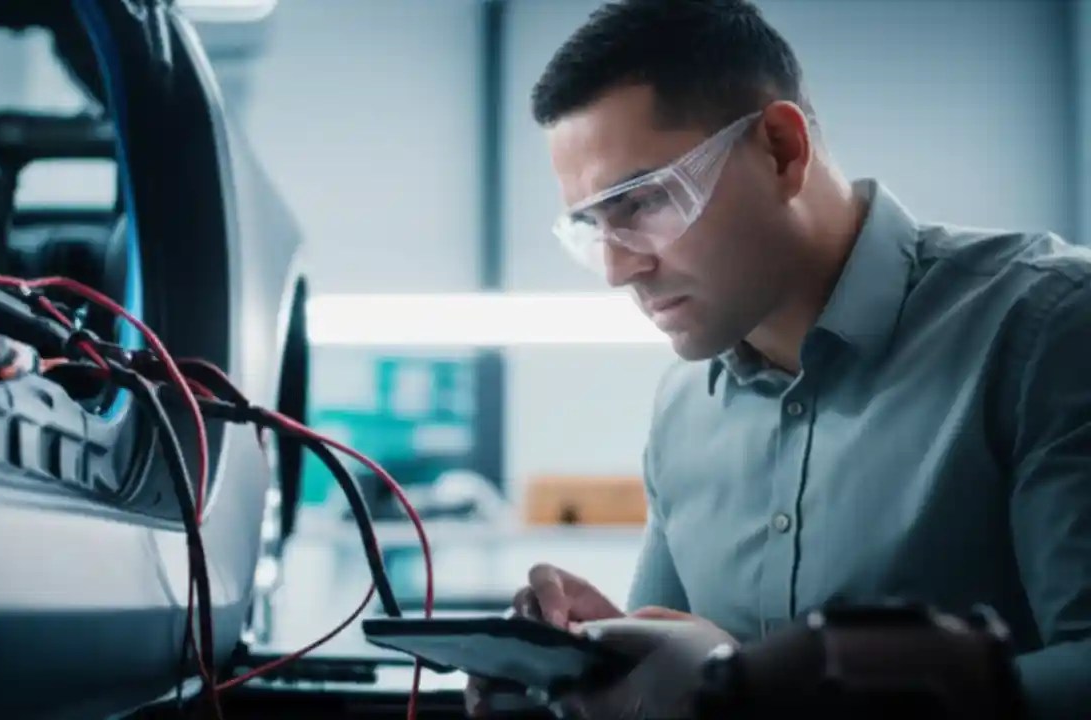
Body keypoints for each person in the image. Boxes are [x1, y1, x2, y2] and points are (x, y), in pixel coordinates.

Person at [465, 1, 1091, 718]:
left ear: (781, 150)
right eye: (591, 227)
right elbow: (695, 684)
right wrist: (592, 671)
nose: (617, 269)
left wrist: (793, 692)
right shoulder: (683, 409)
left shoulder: (1050, 327)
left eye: (639, 203)